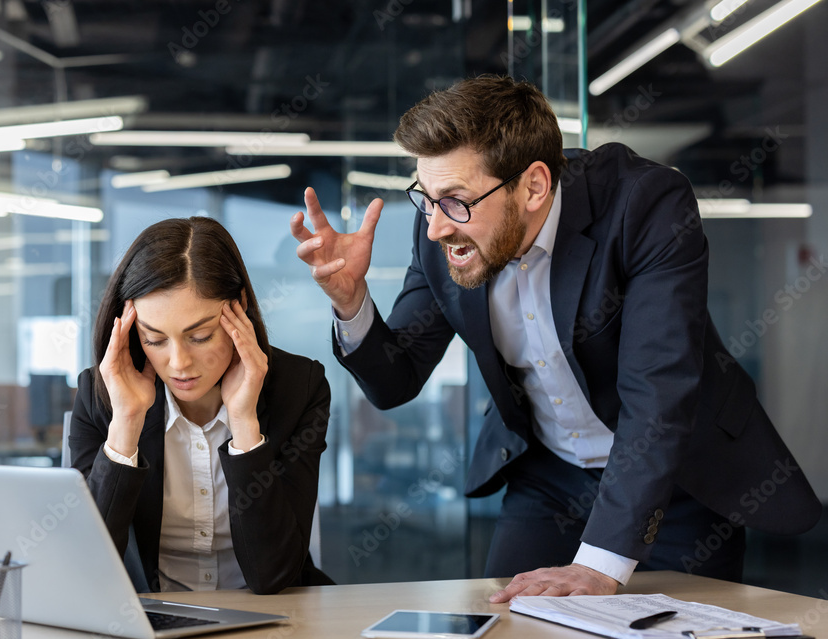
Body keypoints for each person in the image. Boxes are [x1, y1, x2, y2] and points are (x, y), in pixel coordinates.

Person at [289, 75, 820, 601]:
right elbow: (395, 380)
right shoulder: (442, 233)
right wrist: (350, 299)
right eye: (426, 199)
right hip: (549, 477)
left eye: (454, 200)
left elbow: (657, 393)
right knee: (507, 635)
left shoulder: (642, 205)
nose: (435, 226)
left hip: (674, 477)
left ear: (534, 186)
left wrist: (599, 565)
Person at [69, 216, 333, 595]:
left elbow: (273, 575)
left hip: (272, 624)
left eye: (200, 336)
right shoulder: (100, 394)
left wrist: (244, 424)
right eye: (155, 339)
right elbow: (84, 569)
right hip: (151, 624)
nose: (179, 363)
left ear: (239, 308)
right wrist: (126, 421)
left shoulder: (299, 388)